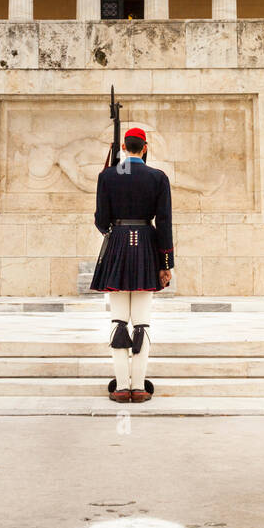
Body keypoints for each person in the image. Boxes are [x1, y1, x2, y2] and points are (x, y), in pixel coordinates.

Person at [91, 125, 174, 404]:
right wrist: (166, 262)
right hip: (146, 249)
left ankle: (121, 386)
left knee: (118, 321)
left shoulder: (107, 176)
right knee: (141, 323)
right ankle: (138, 387)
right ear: (145, 148)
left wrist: (115, 232)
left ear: (123, 148)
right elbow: (163, 223)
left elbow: (101, 221)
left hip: (117, 247)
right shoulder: (157, 177)